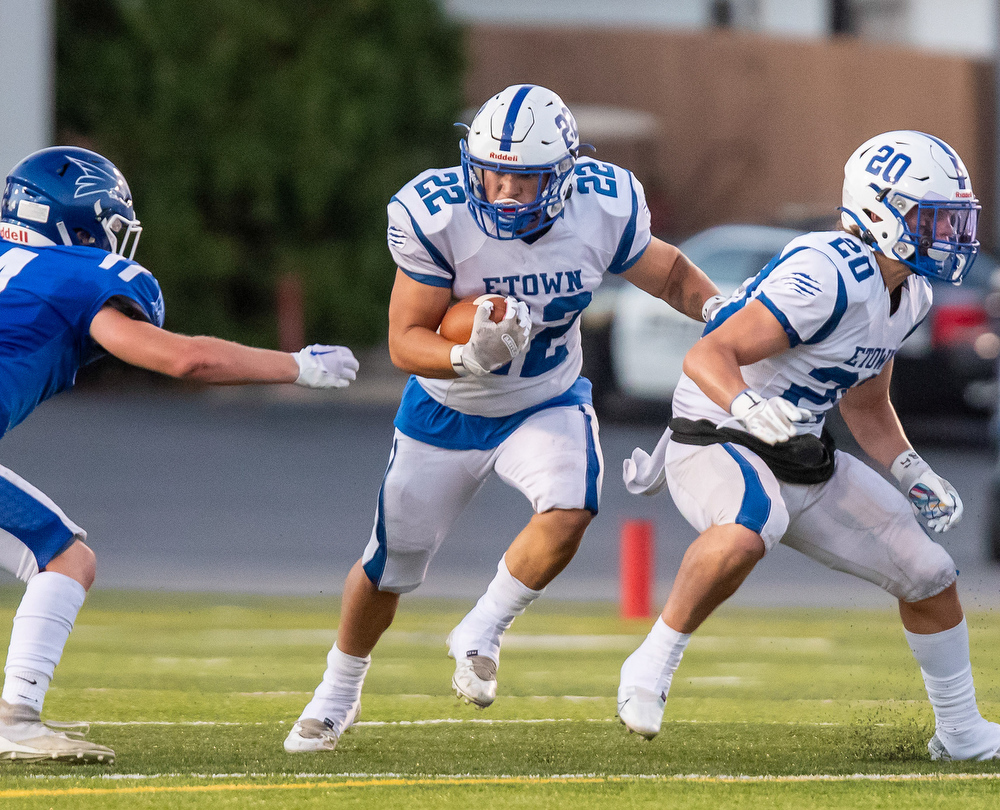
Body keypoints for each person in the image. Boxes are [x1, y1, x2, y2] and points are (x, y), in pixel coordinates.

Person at [284, 83, 721, 753]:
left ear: (564, 174)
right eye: (494, 171)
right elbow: (406, 339)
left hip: (545, 396)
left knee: (573, 504)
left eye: (525, 177)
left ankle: (483, 628)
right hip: (446, 406)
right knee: (390, 566)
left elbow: (669, 275)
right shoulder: (437, 215)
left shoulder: (603, 205)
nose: (506, 190)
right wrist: (464, 355)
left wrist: (723, 314)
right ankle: (337, 692)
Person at [617, 130, 1000, 761]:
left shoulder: (911, 292)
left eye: (954, 219)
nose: (951, 234)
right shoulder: (828, 272)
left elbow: (865, 401)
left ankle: (959, 731)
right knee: (751, 522)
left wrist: (911, 469)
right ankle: (649, 667)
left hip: (797, 446)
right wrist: (747, 405)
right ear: (879, 211)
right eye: (933, 218)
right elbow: (707, 355)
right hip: (715, 426)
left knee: (929, 574)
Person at [0, 146, 360, 763]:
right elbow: (182, 357)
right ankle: (16, 717)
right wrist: (297, 366)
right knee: (63, 555)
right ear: (77, 221)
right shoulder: (75, 273)